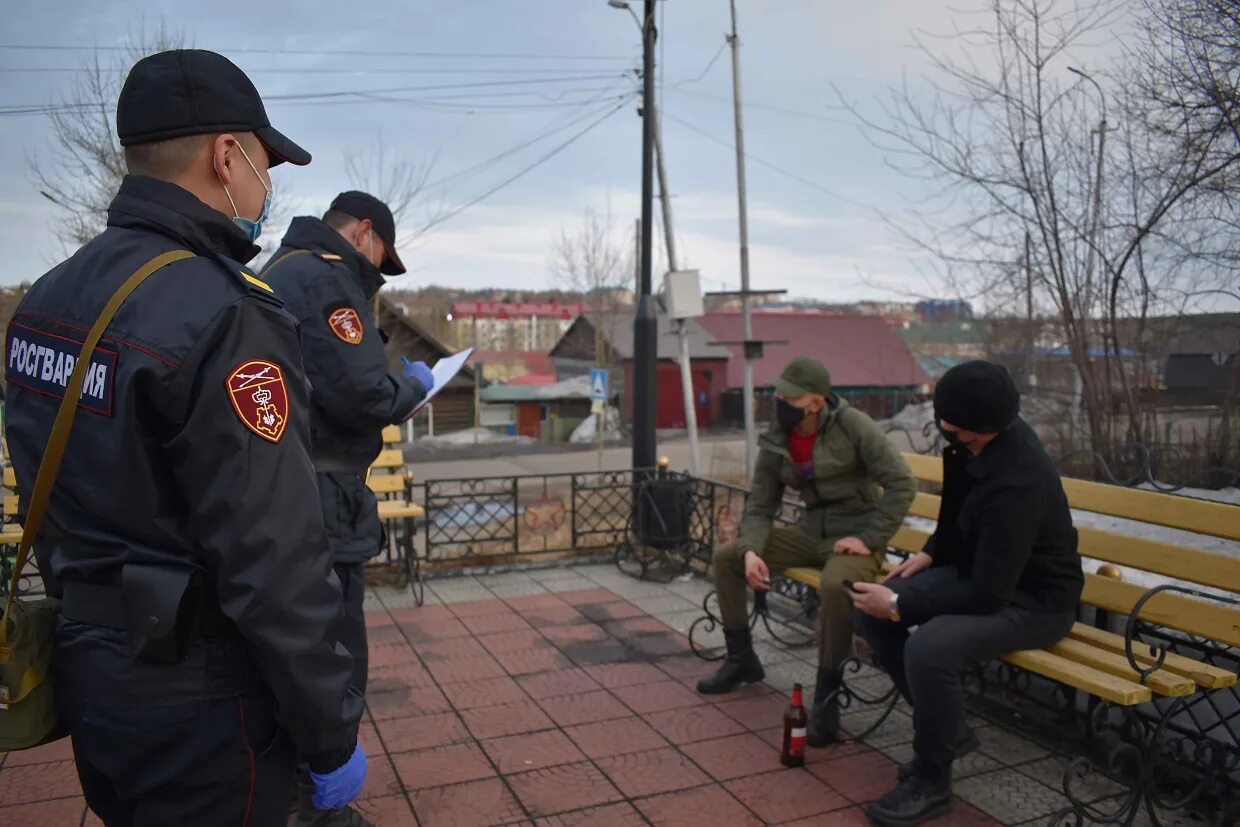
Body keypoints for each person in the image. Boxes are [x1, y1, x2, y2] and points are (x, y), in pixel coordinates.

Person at [4, 50, 366, 826]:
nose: (267, 186)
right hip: (201, 702)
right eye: (265, 162)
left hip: (91, 671)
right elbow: (274, 556)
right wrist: (331, 731)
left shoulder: (47, 299)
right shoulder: (227, 315)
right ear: (225, 155)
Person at [851, 361, 1083, 826]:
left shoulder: (1019, 482)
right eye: (947, 427)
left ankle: (932, 781)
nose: (949, 436)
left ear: (988, 425)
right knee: (868, 607)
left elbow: (987, 595)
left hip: (1034, 601)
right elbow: (957, 507)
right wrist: (932, 553)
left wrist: (903, 605)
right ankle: (951, 732)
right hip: (982, 573)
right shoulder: (973, 443)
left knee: (929, 647)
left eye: (958, 431)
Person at [261, 192, 430, 826]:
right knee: (334, 650)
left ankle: (294, 791)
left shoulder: (278, 269)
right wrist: (413, 385)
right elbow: (363, 390)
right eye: (381, 260)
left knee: (291, 641)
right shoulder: (326, 280)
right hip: (326, 502)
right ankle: (322, 804)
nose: (377, 277)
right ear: (362, 233)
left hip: (282, 491)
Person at [696, 357, 917, 748]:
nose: (778, 400)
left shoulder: (853, 426)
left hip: (855, 535)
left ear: (815, 402)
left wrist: (869, 538)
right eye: (778, 392)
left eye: (789, 396)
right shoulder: (779, 435)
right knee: (728, 557)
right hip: (810, 531)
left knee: (835, 584)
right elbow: (762, 505)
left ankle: (827, 700)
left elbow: (902, 484)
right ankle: (741, 659)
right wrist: (750, 552)